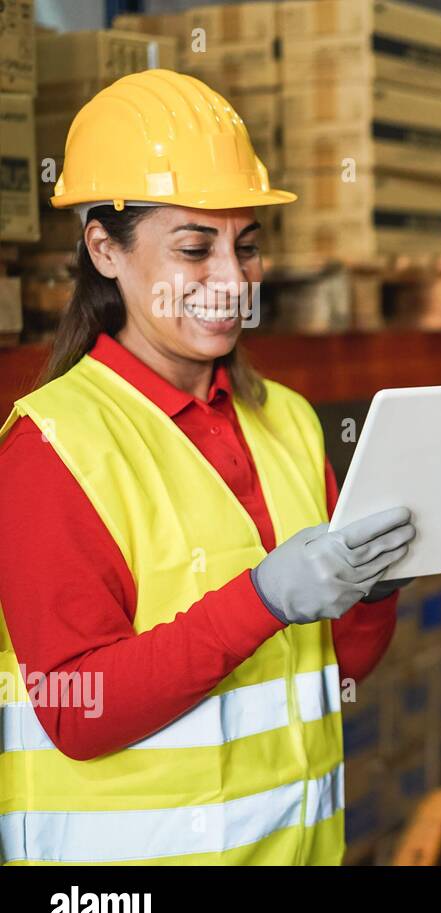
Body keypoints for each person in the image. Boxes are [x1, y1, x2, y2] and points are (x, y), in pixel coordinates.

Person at [0, 70, 417, 865]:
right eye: (194, 249)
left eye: (247, 246)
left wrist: (375, 589)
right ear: (103, 250)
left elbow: (344, 661)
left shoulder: (286, 420)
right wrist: (262, 600)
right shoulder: (52, 448)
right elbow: (76, 710)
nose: (231, 281)